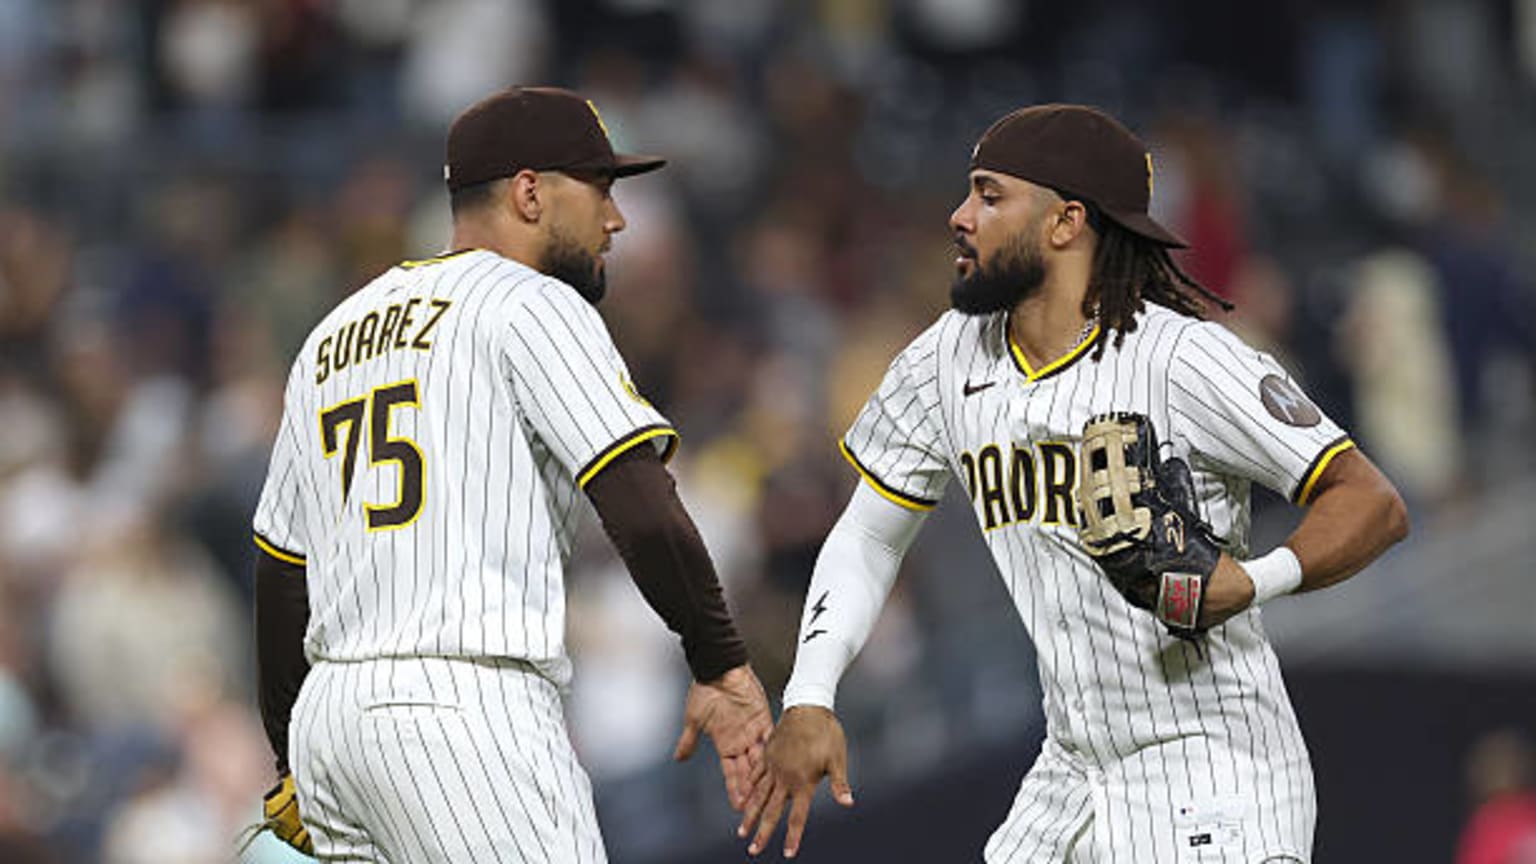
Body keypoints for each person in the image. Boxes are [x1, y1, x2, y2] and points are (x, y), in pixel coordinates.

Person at [738, 104, 1409, 862]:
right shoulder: (946, 360)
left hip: (1213, 765)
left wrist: (1250, 583)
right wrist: (810, 692)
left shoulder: (1181, 360)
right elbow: (866, 534)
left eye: (990, 196)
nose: (960, 217)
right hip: (1073, 769)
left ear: (1065, 222)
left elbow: (1371, 501)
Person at [249, 86, 771, 862]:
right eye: (598, 189)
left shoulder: (331, 338)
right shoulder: (531, 302)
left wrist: (295, 757)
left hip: (333, 726)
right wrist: (720, 662)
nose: (615, 218)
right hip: (464, 704)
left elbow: (281, 576)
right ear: (530, 193)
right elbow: (645, 509)